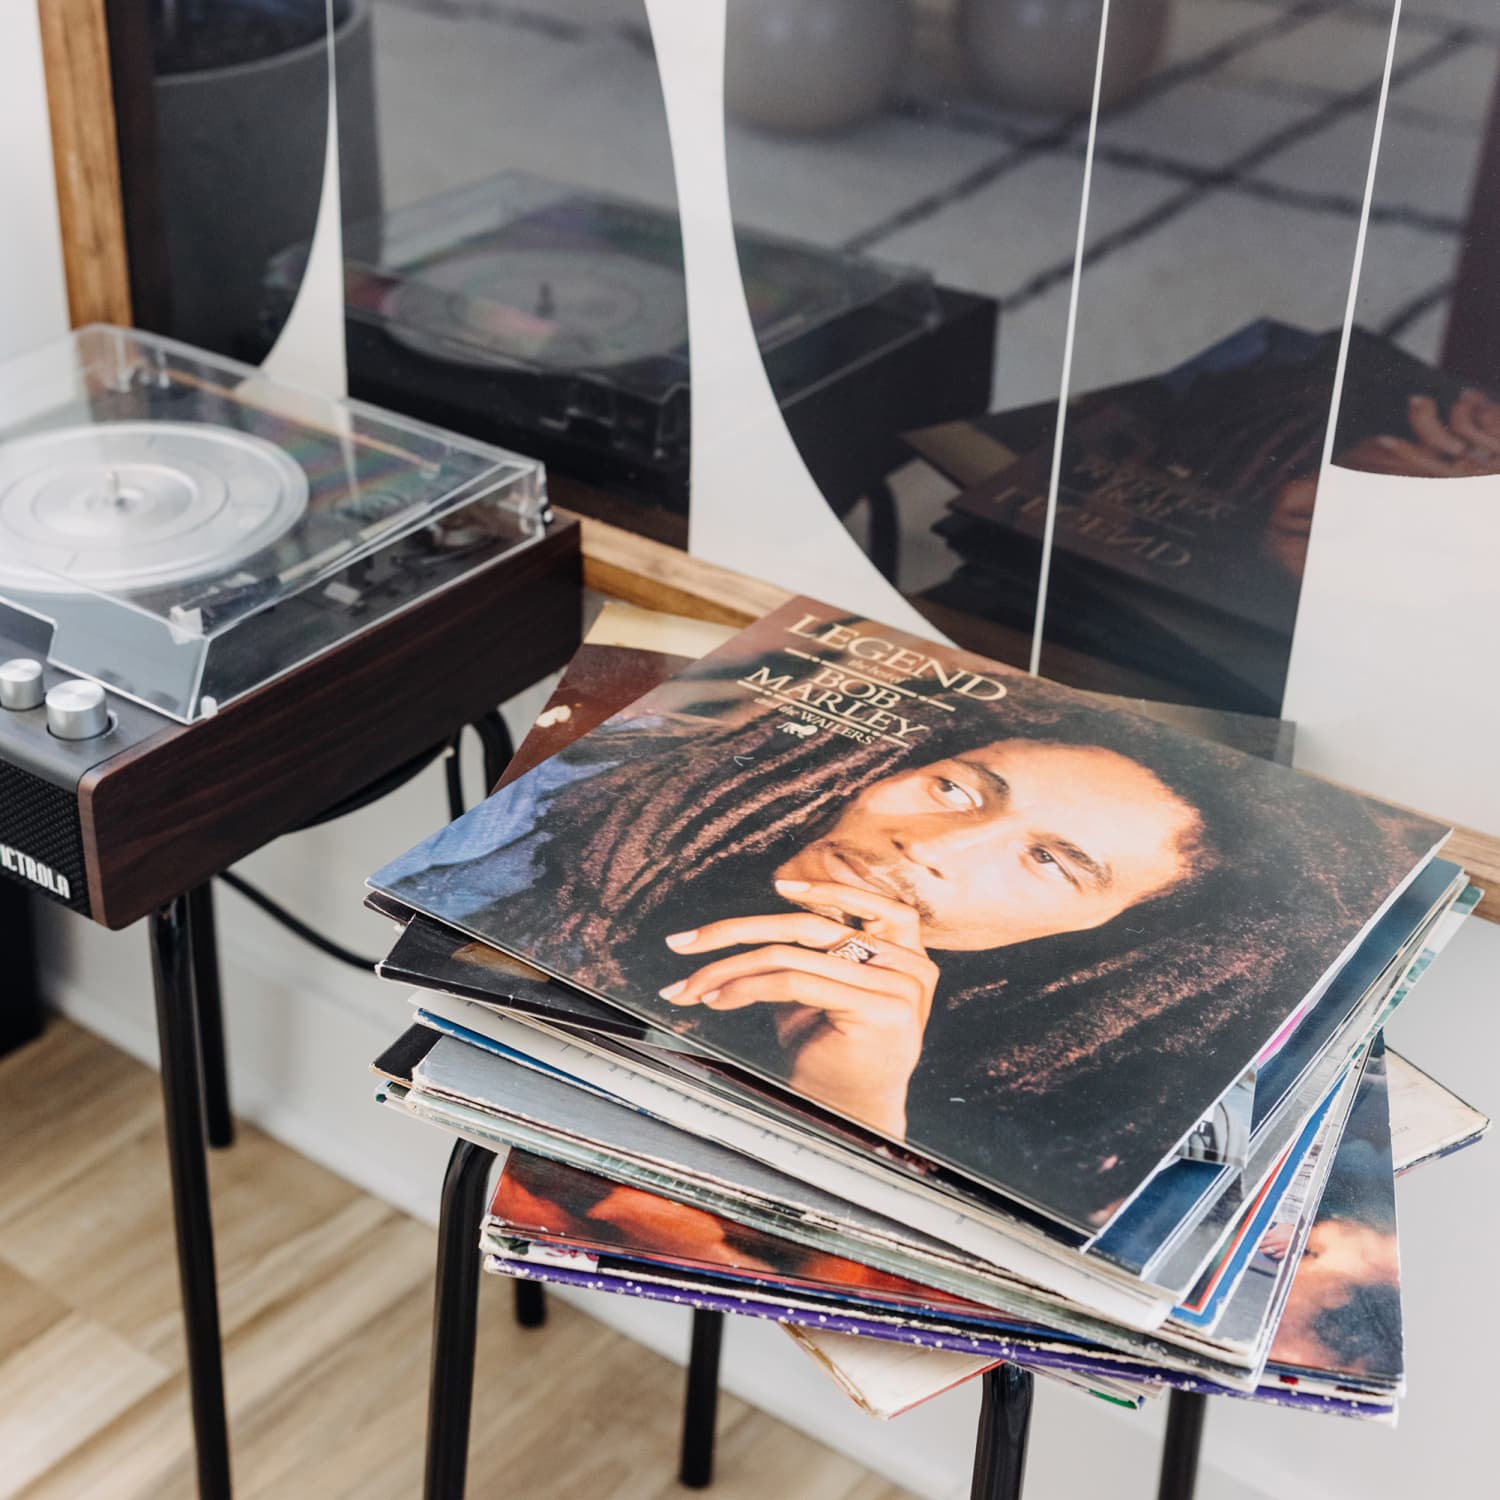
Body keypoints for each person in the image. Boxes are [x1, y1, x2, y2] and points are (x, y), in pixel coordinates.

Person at [379, 633, 1434, 1224]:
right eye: (958, 789)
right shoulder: (572, 819)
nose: (933, 846)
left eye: (1050, 862)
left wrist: (852, 1103)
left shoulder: (1045, 1115)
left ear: (1105, 940)